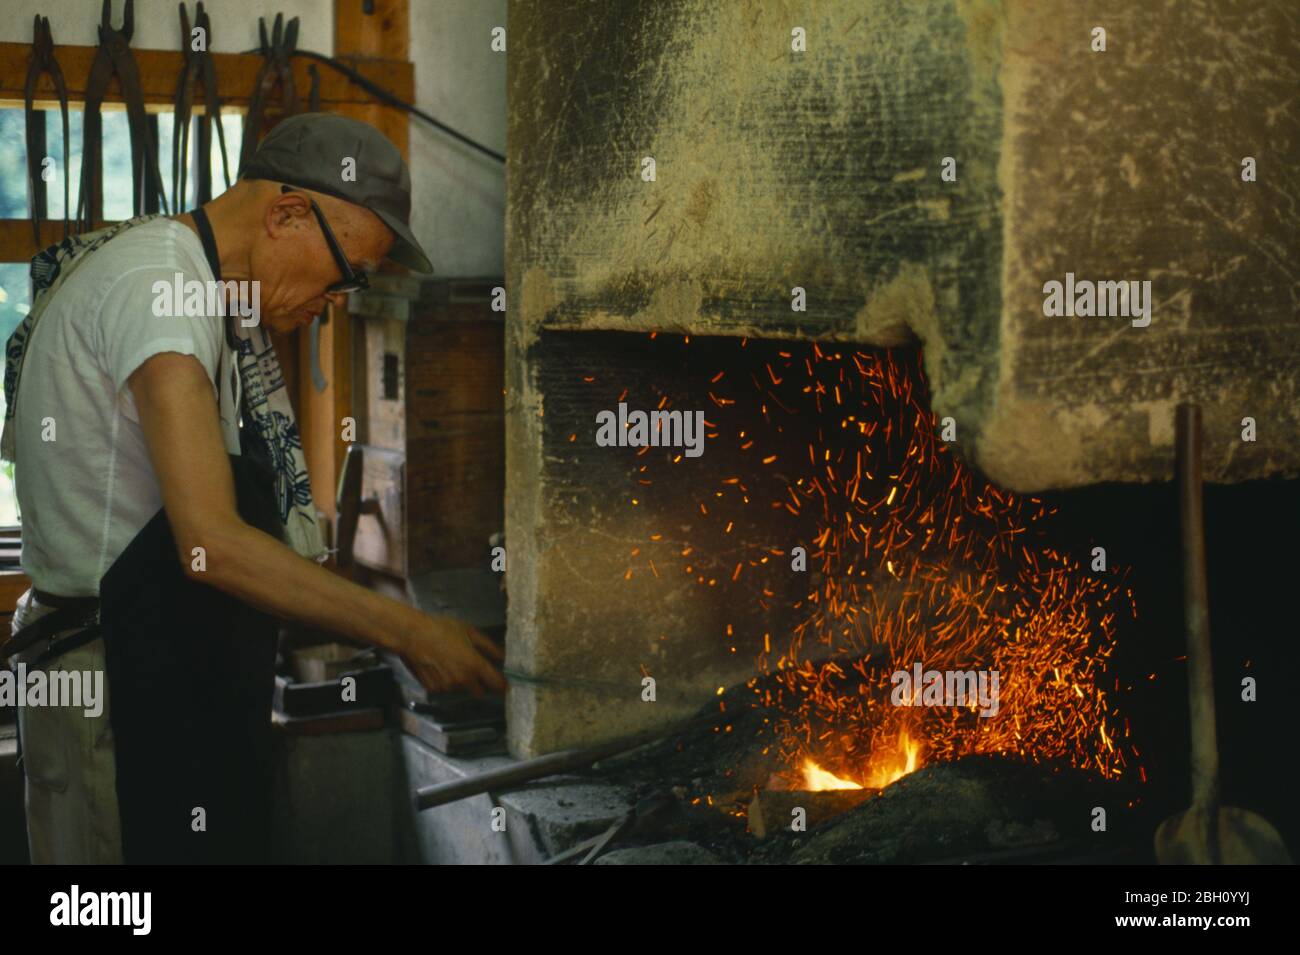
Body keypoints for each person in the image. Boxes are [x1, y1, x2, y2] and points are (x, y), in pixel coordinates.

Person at [1, 113, 504, 864]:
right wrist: (409, 631)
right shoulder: (162, 289)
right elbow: (209, 544)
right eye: (345, 271)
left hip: (154, 670)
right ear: (285, 213)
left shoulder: (200, 291)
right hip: (107, 690)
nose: (338, 299)